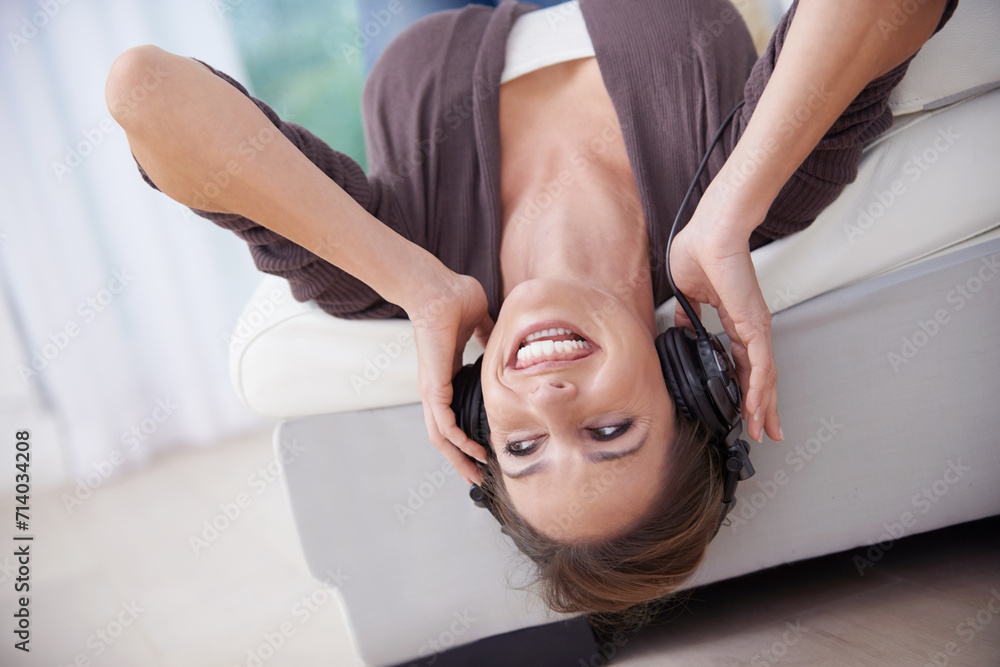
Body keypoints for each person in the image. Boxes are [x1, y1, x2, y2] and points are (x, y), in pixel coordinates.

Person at [106, 0, 957, 622]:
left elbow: (142, 90)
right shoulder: (741, 209)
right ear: (684, 381)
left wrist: (416, 280)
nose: (551, 405)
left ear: (479, 413)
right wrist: (732, 208)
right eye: (608, 431)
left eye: (521, 446)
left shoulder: (403, 273)